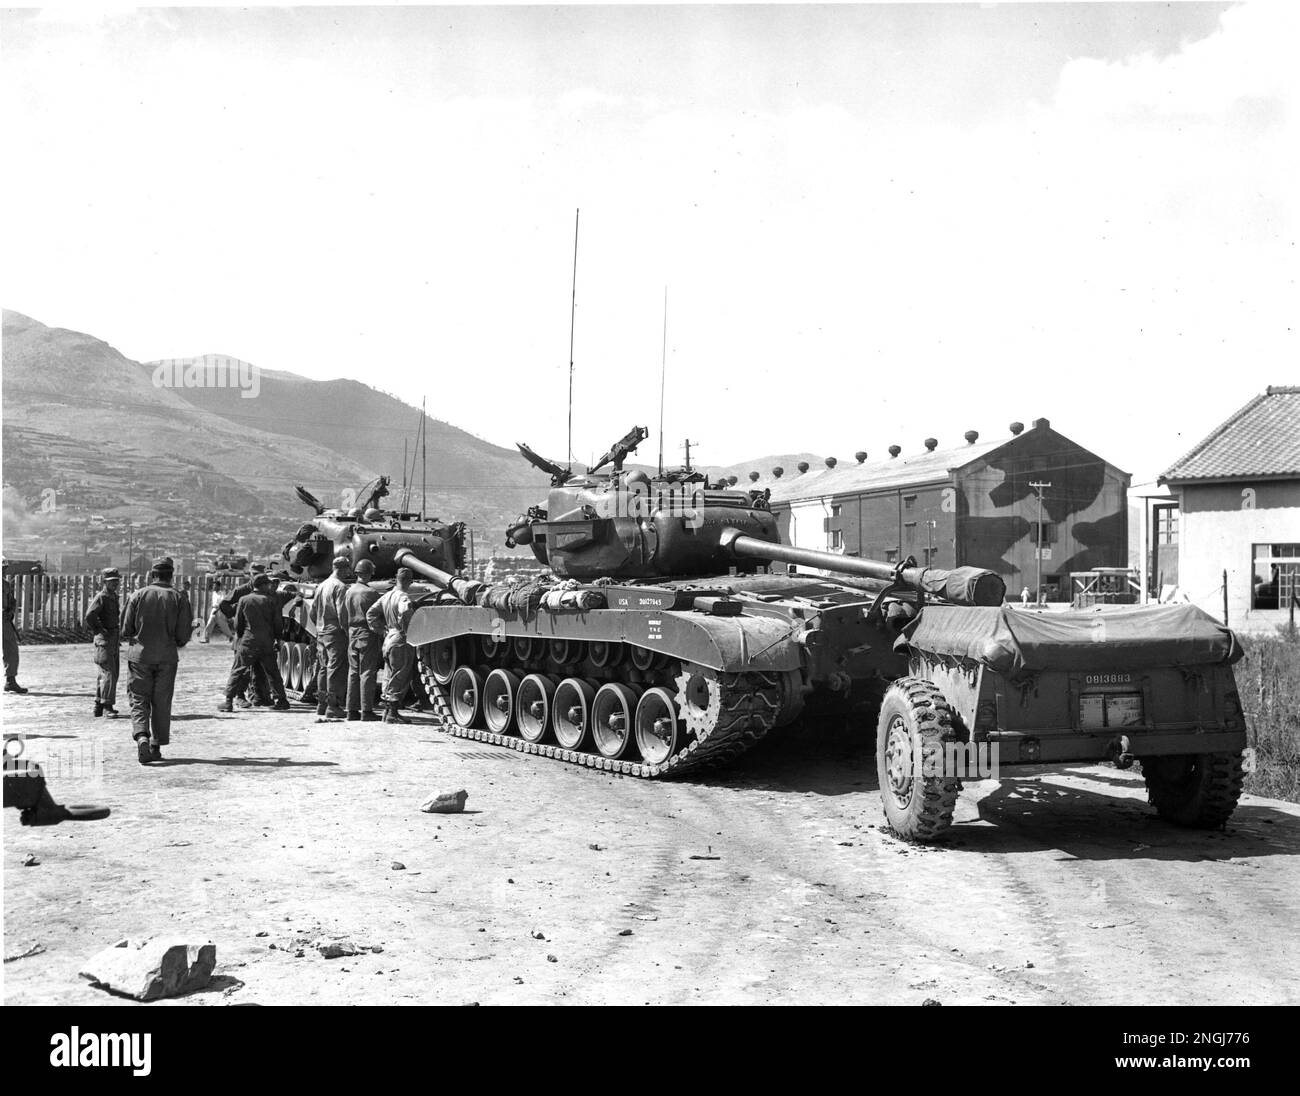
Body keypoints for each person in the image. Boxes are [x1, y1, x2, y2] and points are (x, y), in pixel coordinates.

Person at [119, 557, 192, 765]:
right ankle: (155, 745)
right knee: (161, 701)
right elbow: (182, 636)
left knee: (139, 699)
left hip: (140, 657)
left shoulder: (138, 595)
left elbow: (126, 629)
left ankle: (142, 736)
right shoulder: (179, 597)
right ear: (171, 575)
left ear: (152, 574)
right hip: (167, 658)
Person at [218, 573, 290, 712]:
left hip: (248, 640)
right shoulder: (271, 600)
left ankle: (228, 702)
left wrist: (241, 636)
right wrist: (278, 638)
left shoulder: (244, 600)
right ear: (263, 585)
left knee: (238, 670)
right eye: (268, 583)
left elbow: (238, 623)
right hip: (266, 642)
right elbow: (277, 622)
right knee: (273, 672)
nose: (270, 585)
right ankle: (282, 700)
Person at [366, 567, 416, 724]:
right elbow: (406, 610)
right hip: (400, 639)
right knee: (400, 674)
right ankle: (393, 712)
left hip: (388, 638)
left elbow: (370, 614)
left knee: (389, 675)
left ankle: (387, 712)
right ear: (409, 581)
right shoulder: (403, 596)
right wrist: (406, 628)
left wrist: (381, 629)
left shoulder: (387, 595)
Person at [311, 556, 351, 721]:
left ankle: (321, 704)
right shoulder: (340, 587)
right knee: (335, 668)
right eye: (348, 568)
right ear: (343, 568)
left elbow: (313, 611)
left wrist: (320, 626)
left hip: (321, 631)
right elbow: (342, 613)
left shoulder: (322, 585)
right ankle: (333, 707)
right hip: (335, 632)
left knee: (323, 667)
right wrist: (347, 631)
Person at [343, 559, 383, 721]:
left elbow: (342, 615)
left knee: (353, 672)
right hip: (367, 633)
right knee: (367, 672)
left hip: (352, 633)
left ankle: (351, 710)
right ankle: (366, 711)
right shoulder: (371, 593)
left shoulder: (349, 591)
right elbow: (377, 616)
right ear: (368, 574)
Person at [85, 568, 122, 717]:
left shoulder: (113, 596)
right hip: (104, 640)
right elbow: (90, 615)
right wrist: (99, 629)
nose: (115, 583)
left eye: (116, 581)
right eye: (111, 581)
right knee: (108, 673)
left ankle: (98, 705)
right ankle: (107, 706)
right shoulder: (101, 597)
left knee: (107, 673)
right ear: (104, 582)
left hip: (113, 638)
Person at [3, 575, 27, 694]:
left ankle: (10, 681)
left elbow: (12, 601)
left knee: (11, 650)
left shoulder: (6, 584)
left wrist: (9, 612)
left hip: (4, 621)